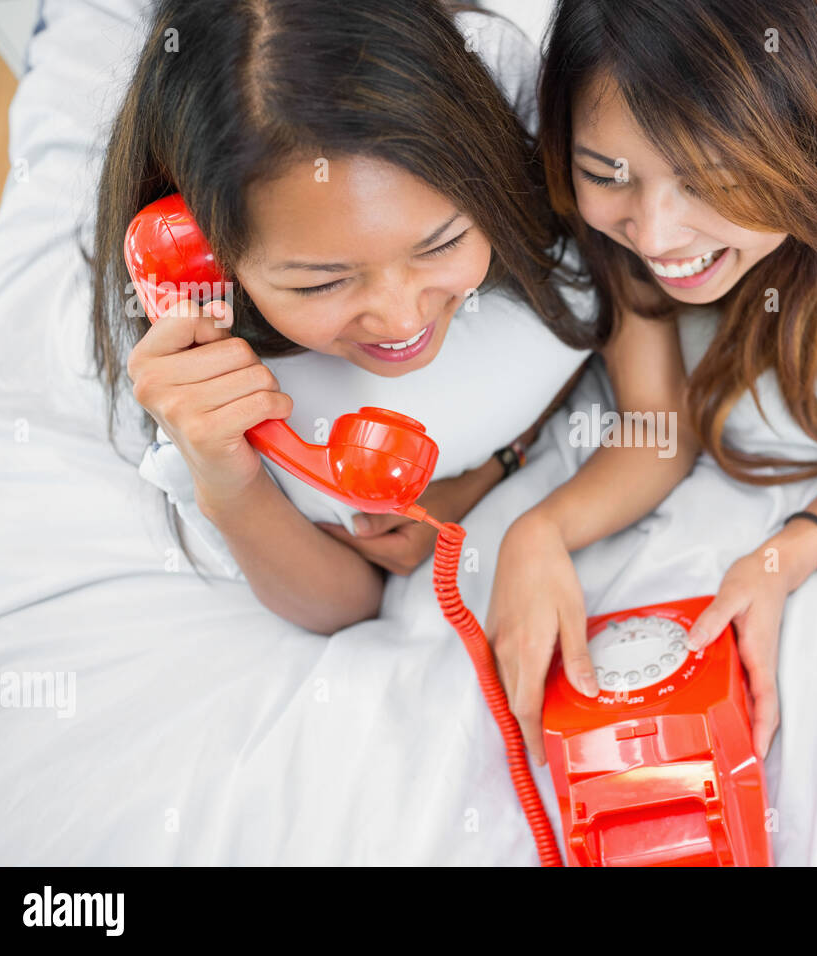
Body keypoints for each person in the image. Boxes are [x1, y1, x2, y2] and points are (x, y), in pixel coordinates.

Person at [489, 0, 817, 762]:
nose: (657, 235)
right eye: (610, 175)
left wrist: (786, 556)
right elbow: (656, 429)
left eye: (708, 180)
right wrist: (537, 532)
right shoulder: (596, 141)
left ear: (798, 145)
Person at [88, 0, 605, 634]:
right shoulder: (197, 340)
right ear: (201, 251)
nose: (400, 318)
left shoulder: (507, 92)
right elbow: (343, 605)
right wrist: (223, 477)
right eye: (323, 282)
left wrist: (482, 479)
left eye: (443, 243)